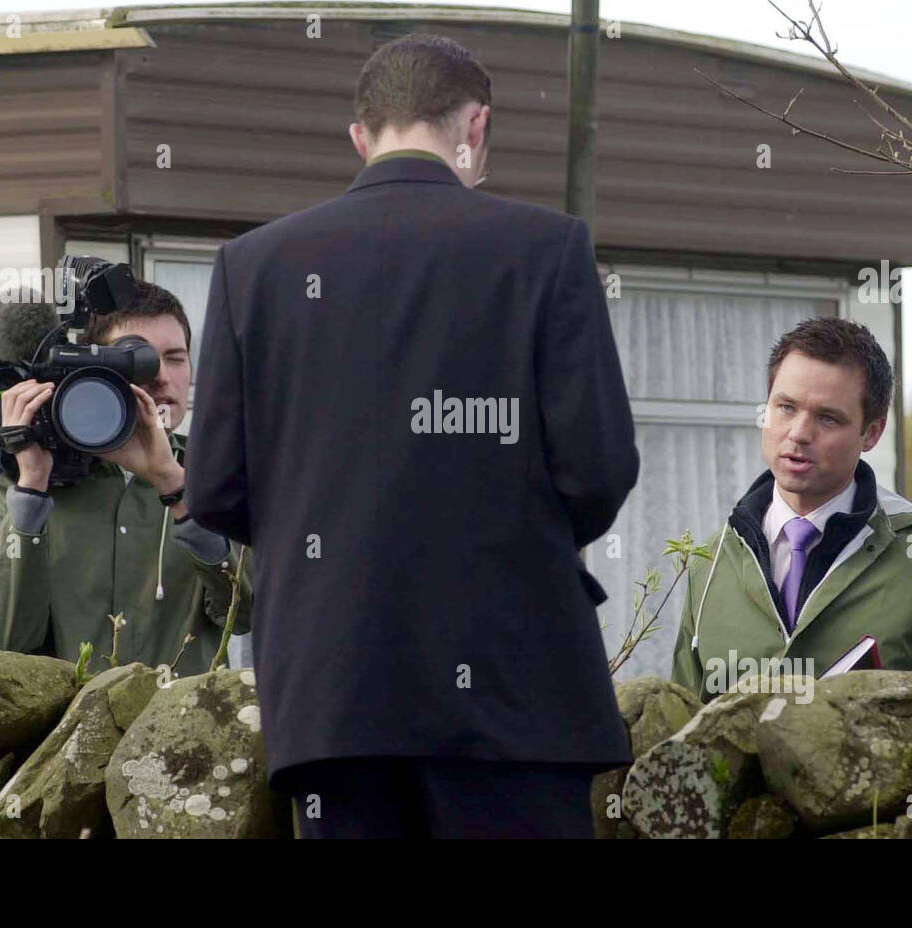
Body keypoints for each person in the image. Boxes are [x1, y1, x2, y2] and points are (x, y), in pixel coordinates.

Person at [185, 33, 639, 838]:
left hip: (334, 696)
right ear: (477, 125)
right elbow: (598, 468)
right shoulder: (546, 250)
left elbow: (216, 486)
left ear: (361, 137)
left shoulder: (252, 266)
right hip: (515, 686)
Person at [671, 316, 912, 701]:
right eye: (786, 407)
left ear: (871, 432)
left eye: (827, 418)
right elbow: (681, 735)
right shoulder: (710, 566)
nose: (799, 433)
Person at [0, 281, 249, 673]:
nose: (161, 375)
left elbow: (248, 612)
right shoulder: (15, 485)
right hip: (64, 733)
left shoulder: (219, 473)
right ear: (92, 370)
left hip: (183, 728)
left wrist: (176, 489)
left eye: (176, 358)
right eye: (137, 357)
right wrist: (30, 494)